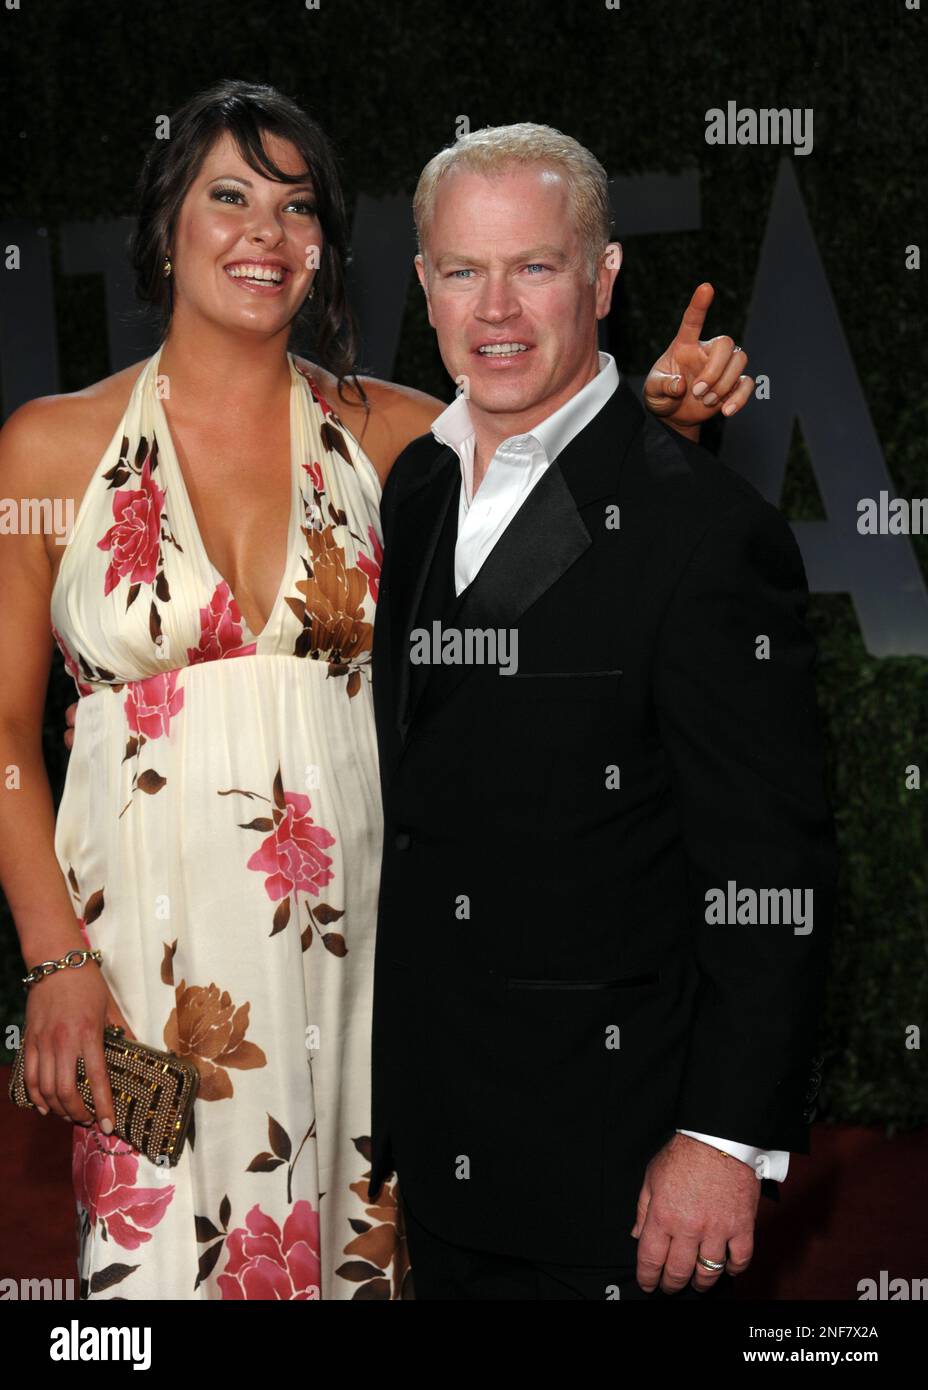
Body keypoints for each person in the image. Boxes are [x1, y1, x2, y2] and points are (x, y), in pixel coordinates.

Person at [20, 86, 750, 1301]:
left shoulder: (403, 438)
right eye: (231, 196)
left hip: (366, 972)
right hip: (143, 977)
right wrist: (53, 962)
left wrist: (657, 419)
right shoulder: (48, 449)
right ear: (164, 228)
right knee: (153, 1279)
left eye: (299, 206)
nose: (268, 231)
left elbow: (559, 466)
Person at [367, 122, 839, 1300]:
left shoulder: (701, 531)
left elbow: (770, 865)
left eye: (535, 265)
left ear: (603, 275)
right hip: (437, 1142)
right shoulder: (414, 486)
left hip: (616, 1166)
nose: (498, 309)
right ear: (423, 286)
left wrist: (722, 1140)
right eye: (464, 270)